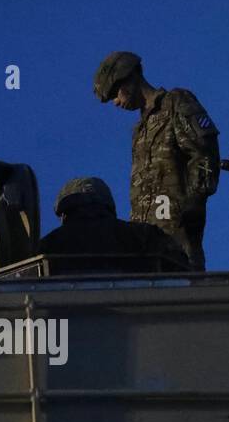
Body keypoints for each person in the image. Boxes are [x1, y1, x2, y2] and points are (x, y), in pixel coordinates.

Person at [93, 51, 220, 270]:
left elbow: (204, 150)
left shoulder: (174, 102)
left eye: (115, 93)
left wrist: (195, 202)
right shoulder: (139, 130)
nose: (116, 102)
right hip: (143, 240)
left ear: (130, 79)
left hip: (176, 235)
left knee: (182, 291)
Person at [39, 176, 189, 268]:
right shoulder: (144, 235)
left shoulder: (47, 246)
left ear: (64, 211)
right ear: (108, 203)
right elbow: (180, 270)